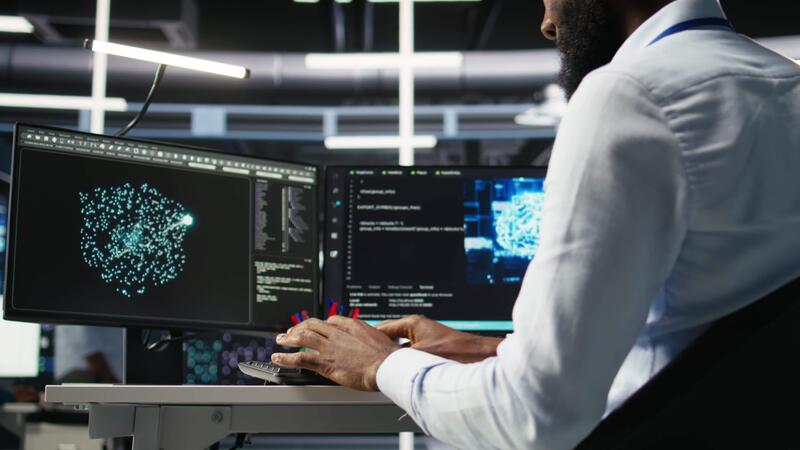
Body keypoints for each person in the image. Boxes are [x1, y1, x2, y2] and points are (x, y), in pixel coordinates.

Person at [272, 0, 800, 448]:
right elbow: (707, 337)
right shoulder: (784, 82)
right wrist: (492, 350)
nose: (547, 23)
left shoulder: (630, 92)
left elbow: (533, 416)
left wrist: (381, 363)